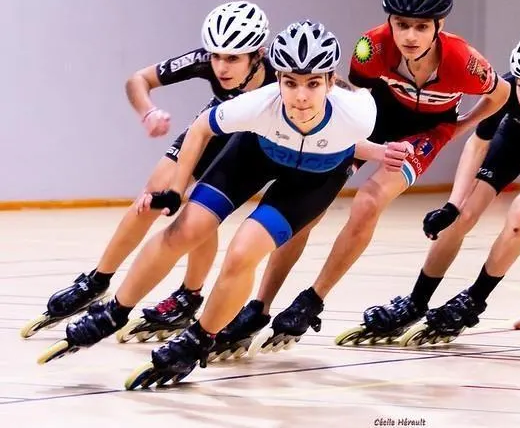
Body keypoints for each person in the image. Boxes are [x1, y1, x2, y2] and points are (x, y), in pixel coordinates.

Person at [35, 21, 400, 387]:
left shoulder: (359, 112)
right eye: (290, 82)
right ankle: (114, 311)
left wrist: (385, 152)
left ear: (330, 81)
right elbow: (199, 130)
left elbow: (352, 144)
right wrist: (177, 190)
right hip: (258, 153)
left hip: (313, 177)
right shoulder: (259, 103)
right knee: (185, 229)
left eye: (312, 83)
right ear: (278, 79)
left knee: (242, 253)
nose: (300, 96)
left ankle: (198, 339)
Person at [238, 0, 511, 356]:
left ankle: (313, 298)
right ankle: (258, 306)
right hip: (374, 119)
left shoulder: (465, 62)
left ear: (440, 25)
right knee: (307, 206)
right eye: (401, 25)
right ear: (389, 22)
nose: (410, 37)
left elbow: (501, 94)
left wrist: (459, 126)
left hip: (426, 133)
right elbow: (353, 94)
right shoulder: (370, 47)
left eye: (420, 27)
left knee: (368, 201)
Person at [19, 1, 305, 341]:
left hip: (261, 139)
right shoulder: (205, 61)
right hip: (218, 123)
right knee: (154, 193)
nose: (221, 67)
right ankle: (97, 280)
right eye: (215, 56)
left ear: (258, 54)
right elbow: (138, 79)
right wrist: (147, 112)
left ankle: (190, 294)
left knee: (202, 210)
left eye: (232, 58)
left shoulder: (283, 75)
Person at [335, 30, 520, 346]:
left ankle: (474, 299)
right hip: (514, 141)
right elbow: (477, 143)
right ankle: (417, 301)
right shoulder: (506, 88)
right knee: (461, 219)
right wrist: (452, 205)